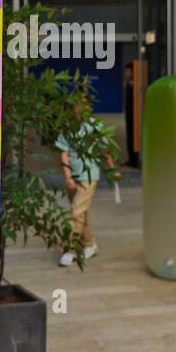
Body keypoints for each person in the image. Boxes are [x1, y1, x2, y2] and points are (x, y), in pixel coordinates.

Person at [56, 111, 115, 267]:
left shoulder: (95, 127)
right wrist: (68, 176)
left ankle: (70, 250)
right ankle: (90, 244)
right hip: (73, 176)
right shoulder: (68, 128)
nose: (77, 110)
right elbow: (63, 153)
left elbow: (104, 150)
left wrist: (112, 169)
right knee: (81, 214)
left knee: (76, 212)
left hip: (90, 175)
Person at [122, 62, 140, 168]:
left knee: (135, 138)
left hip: (135, 117)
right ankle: (131, 159)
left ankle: (135, 160)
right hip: (129, 116)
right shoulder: (128, 84)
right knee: (129, 138)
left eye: (128, 72)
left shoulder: (137, 87)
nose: (126, 74)